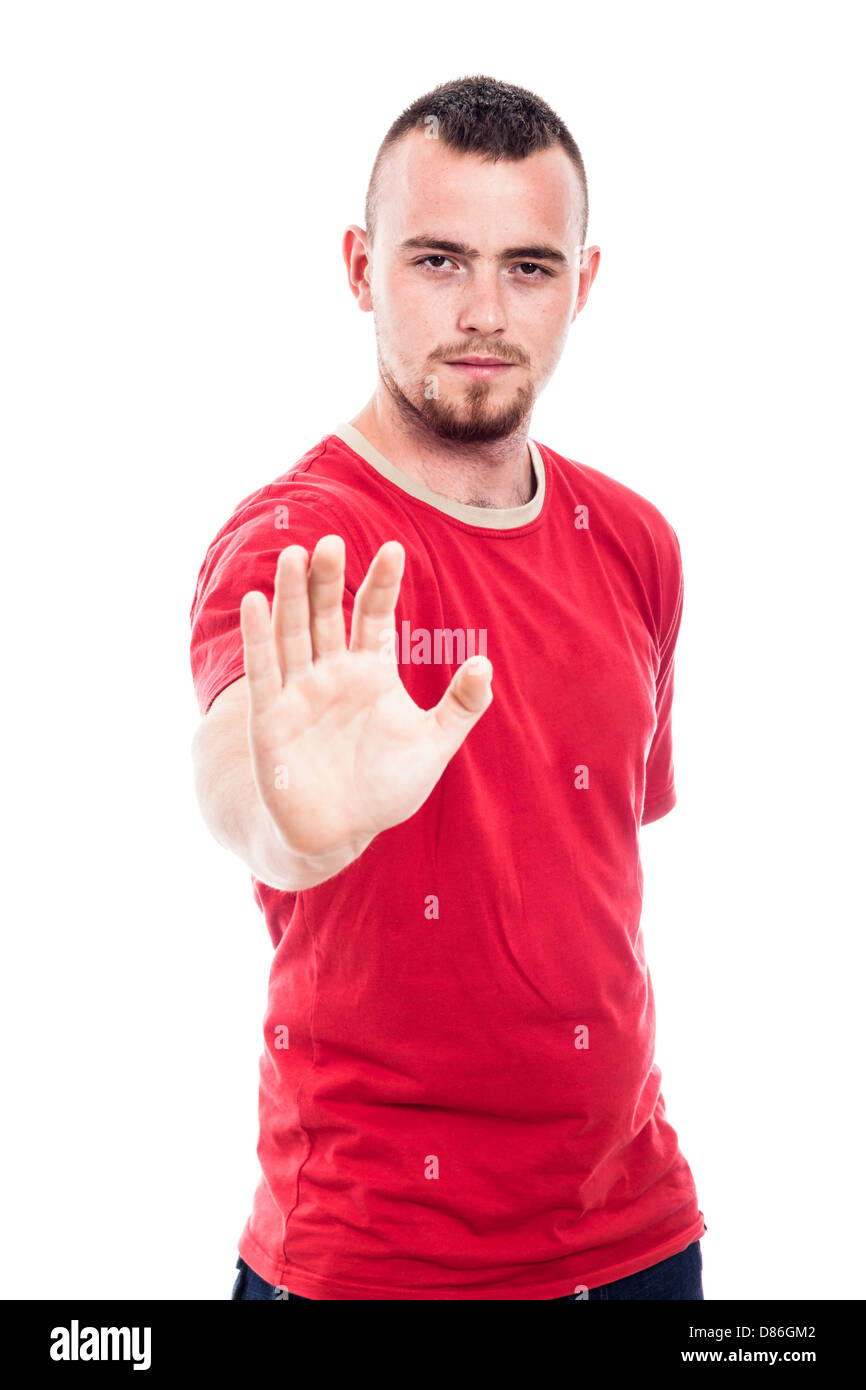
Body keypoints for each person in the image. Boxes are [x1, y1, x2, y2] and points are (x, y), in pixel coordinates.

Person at [190, 74, 706, 1301]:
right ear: (360, 268)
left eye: (527, 267)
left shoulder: (635, 541)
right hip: (374, 1262)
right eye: (437, 260)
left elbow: (594, 870)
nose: (483, 312)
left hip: (638, 1240)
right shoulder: (298, 546)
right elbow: (238, 779)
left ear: (581, 284)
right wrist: (290, 819)